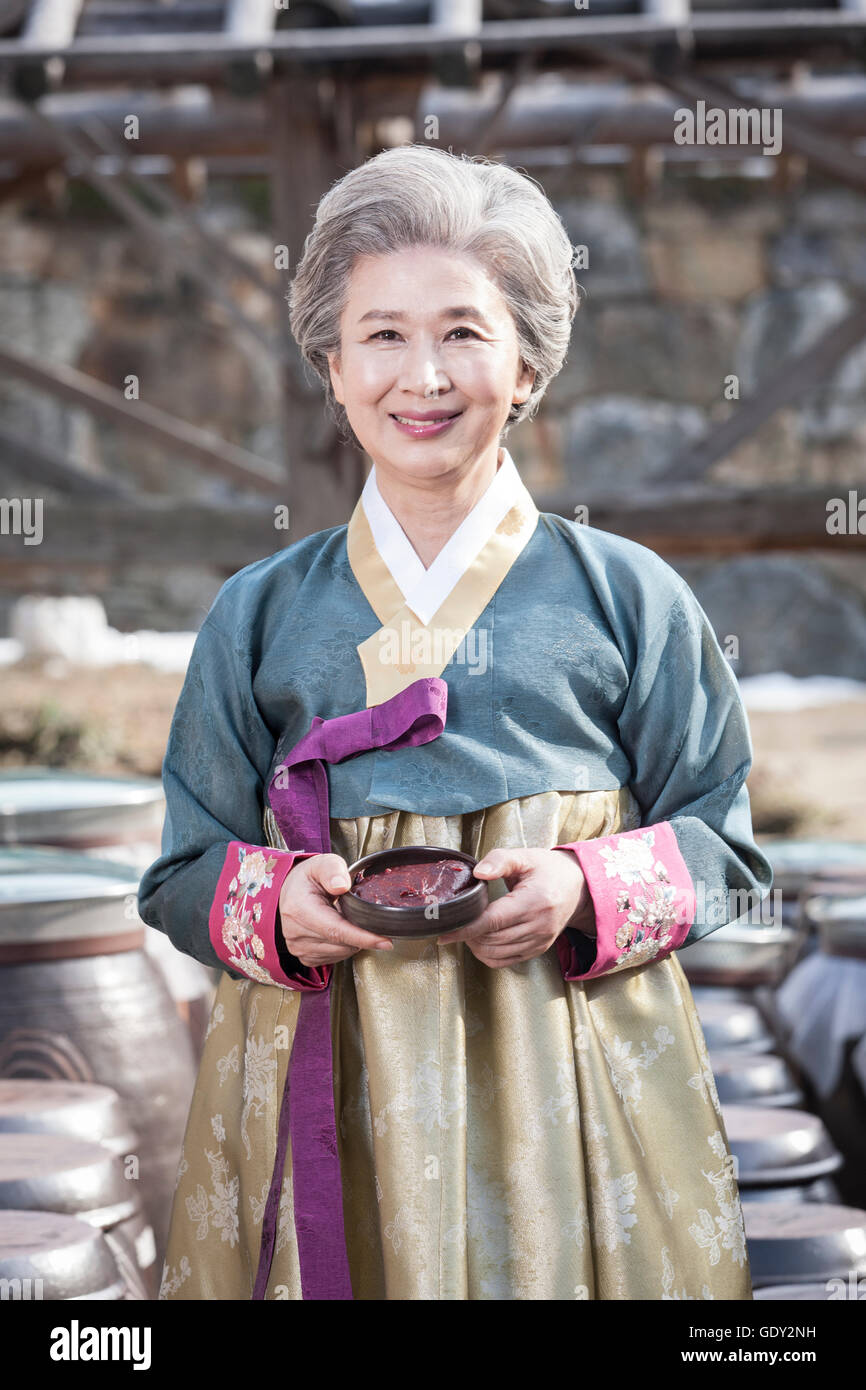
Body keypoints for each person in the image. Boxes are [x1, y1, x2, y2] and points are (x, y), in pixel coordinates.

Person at [139, 142, 773, 1301]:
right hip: (323, 1083)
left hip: (571, 1096)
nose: (419, 375)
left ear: (526, 362)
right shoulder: (260, 611)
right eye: (380, 333)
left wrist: (582, 887)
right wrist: (273, 903)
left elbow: (725, 844)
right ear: (329, 365)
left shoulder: (625, 597)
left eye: (463, 331)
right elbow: (181, 868)